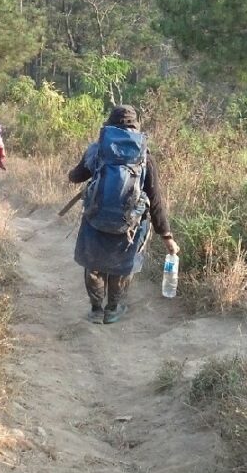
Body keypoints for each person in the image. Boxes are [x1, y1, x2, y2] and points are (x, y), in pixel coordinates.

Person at [67, 104, 179, 324]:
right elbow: (155, 199)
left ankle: (96, 310)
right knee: (122, 265)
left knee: (94, 264)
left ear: (109, 125)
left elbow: (76, 176)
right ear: (136, 125)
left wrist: (78, 174)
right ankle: (113, 308)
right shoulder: (144, 155)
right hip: (130, 225)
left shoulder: (97, 149)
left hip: (96, 219)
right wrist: (167, 237)